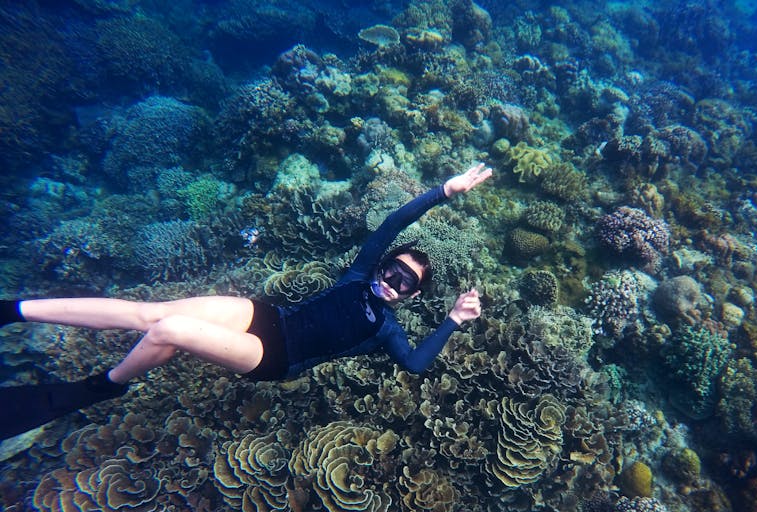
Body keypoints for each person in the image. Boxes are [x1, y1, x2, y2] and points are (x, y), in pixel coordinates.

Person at [0, 163, 493, 439]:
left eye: (406, 284)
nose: (393, 283)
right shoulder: (359, 273)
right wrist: (443, 191)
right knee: (148, 314)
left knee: (167, 332)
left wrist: (451, 319)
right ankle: (16, 309)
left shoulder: (387, 328)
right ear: (382, 265)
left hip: (276, 357)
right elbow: (391, 226)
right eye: (394, 271)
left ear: (411, 298)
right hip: (266, 316)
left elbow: (413, 365)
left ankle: (103, 386)